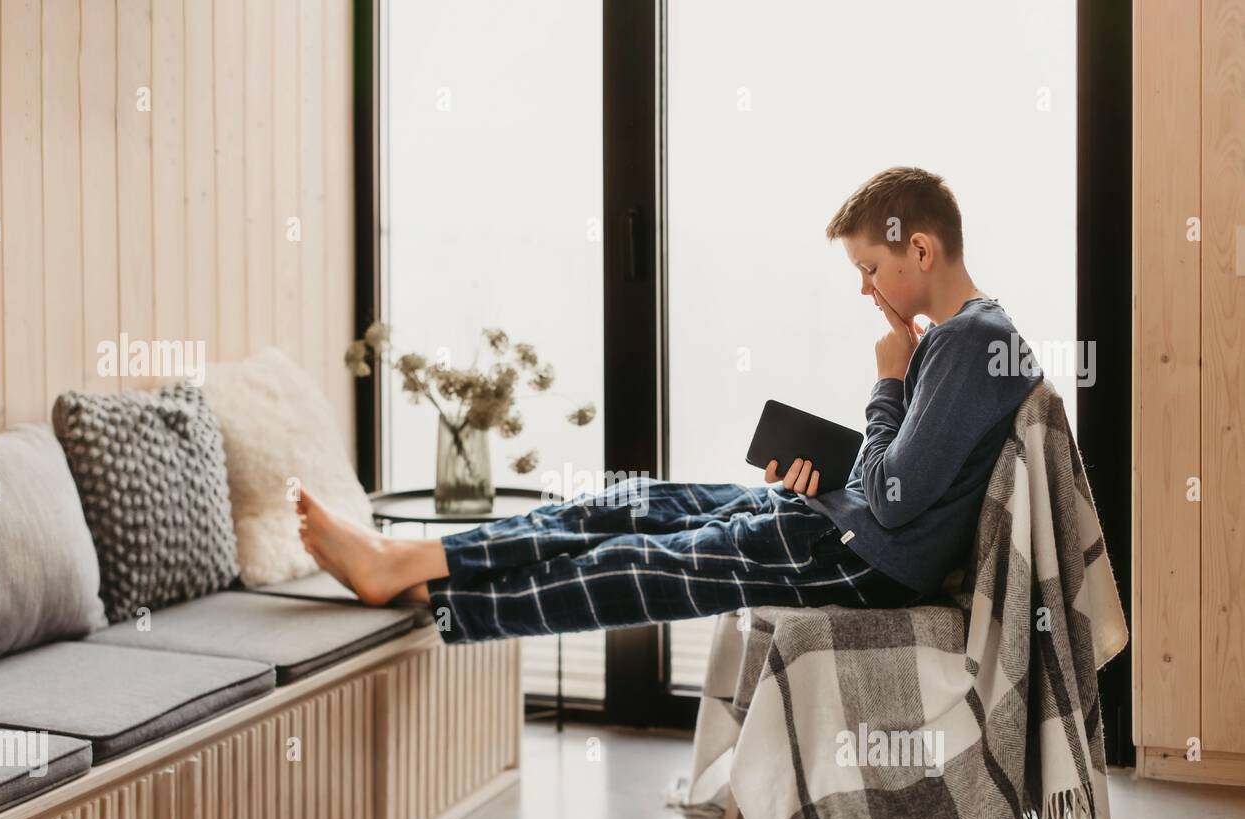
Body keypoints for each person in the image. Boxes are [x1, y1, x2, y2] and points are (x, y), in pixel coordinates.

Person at [297, 165, 1043, 644]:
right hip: (834, 524)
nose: (864, 288)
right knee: (633, 501)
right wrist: (828, 469)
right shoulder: (963, 339)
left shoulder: (970, 340)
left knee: (637, 565)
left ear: (921, 250)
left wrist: (887, 381)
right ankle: (413, 559)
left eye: (870, 267)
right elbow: (903, 477)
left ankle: (427, 590)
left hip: (853, 559)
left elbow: (895, 499)